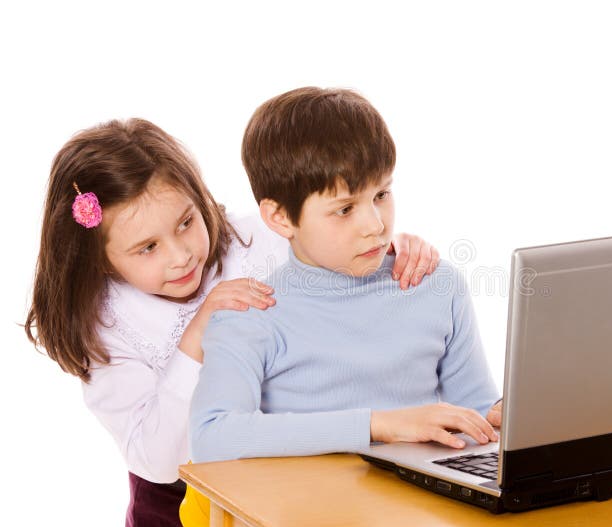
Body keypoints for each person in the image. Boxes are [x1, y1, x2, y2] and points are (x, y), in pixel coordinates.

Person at [24, 118, 441, 527]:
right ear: (101, 259)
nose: (181, 255)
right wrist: (198, 338)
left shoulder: (256, 239)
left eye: (186, 222)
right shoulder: (108, 326)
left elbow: (336, 252)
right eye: (148, 248)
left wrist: (391, 250)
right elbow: (156, 459)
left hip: (288, 488)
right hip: (178, 509)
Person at [189, 86, 503, 468]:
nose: (375, 224)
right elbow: (212, 436)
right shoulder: (251, 313)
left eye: (382, 194)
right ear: (280, 218)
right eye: (345, 209)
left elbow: (478, 410)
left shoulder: (437, 286)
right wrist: (377, 426)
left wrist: (506, 415)